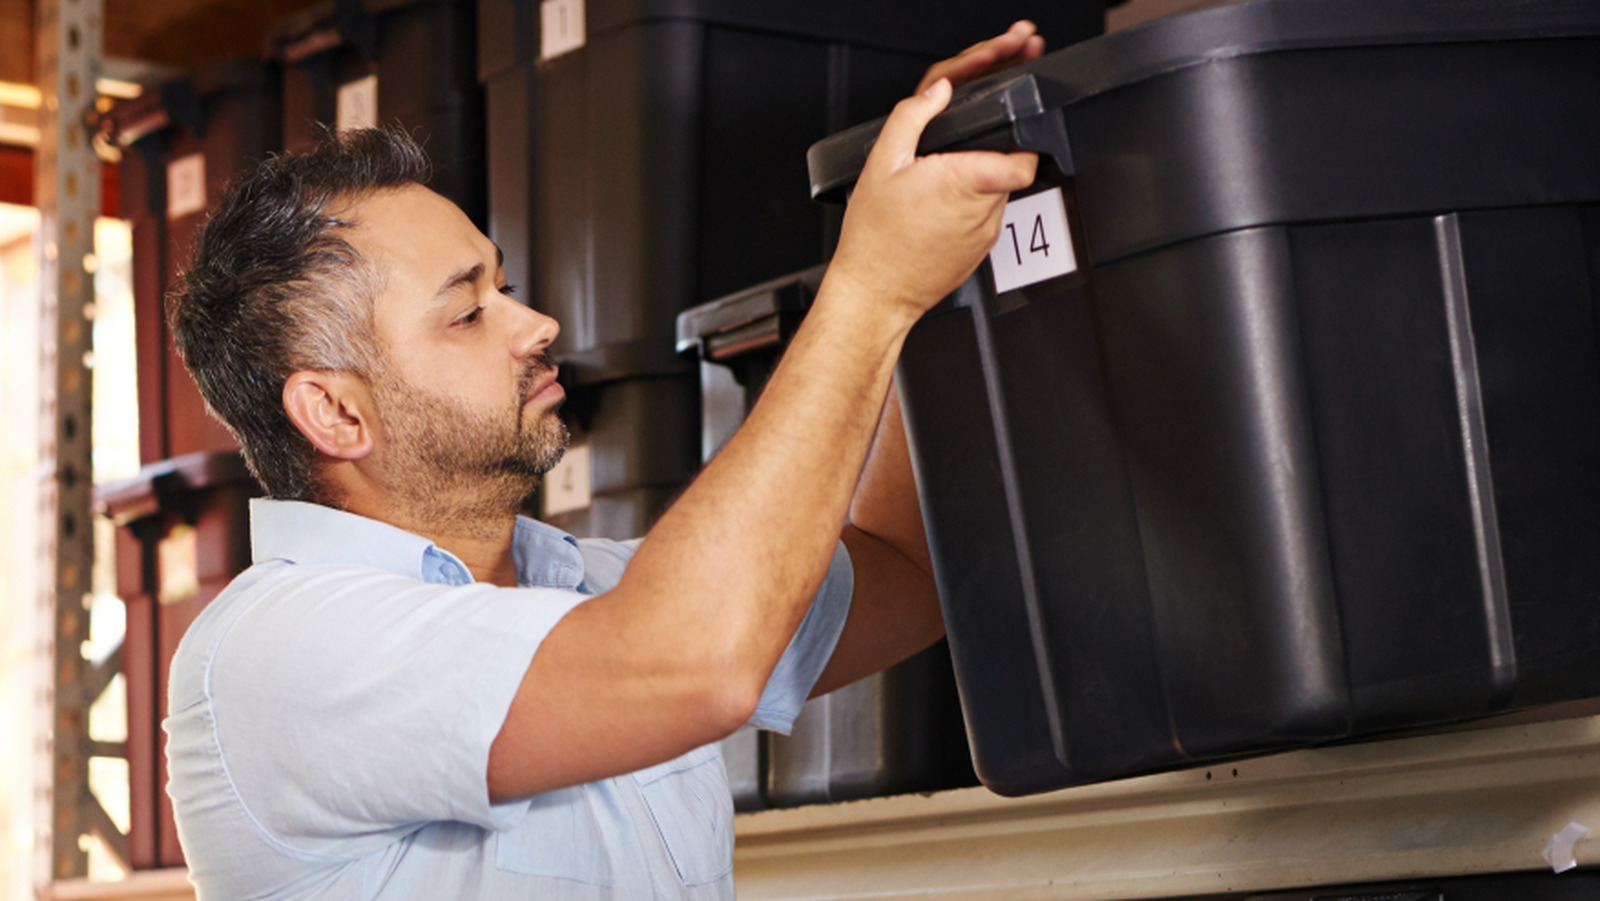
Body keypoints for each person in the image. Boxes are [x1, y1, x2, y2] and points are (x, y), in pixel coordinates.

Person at [162, 21, 1044, 900]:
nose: (537, 324)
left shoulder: (592, 590)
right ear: (335, 411)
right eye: (467, 313)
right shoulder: (277, 654)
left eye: (503, 285)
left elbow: (905, 570)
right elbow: (693, 660)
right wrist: (870, 285)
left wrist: (937, 238)